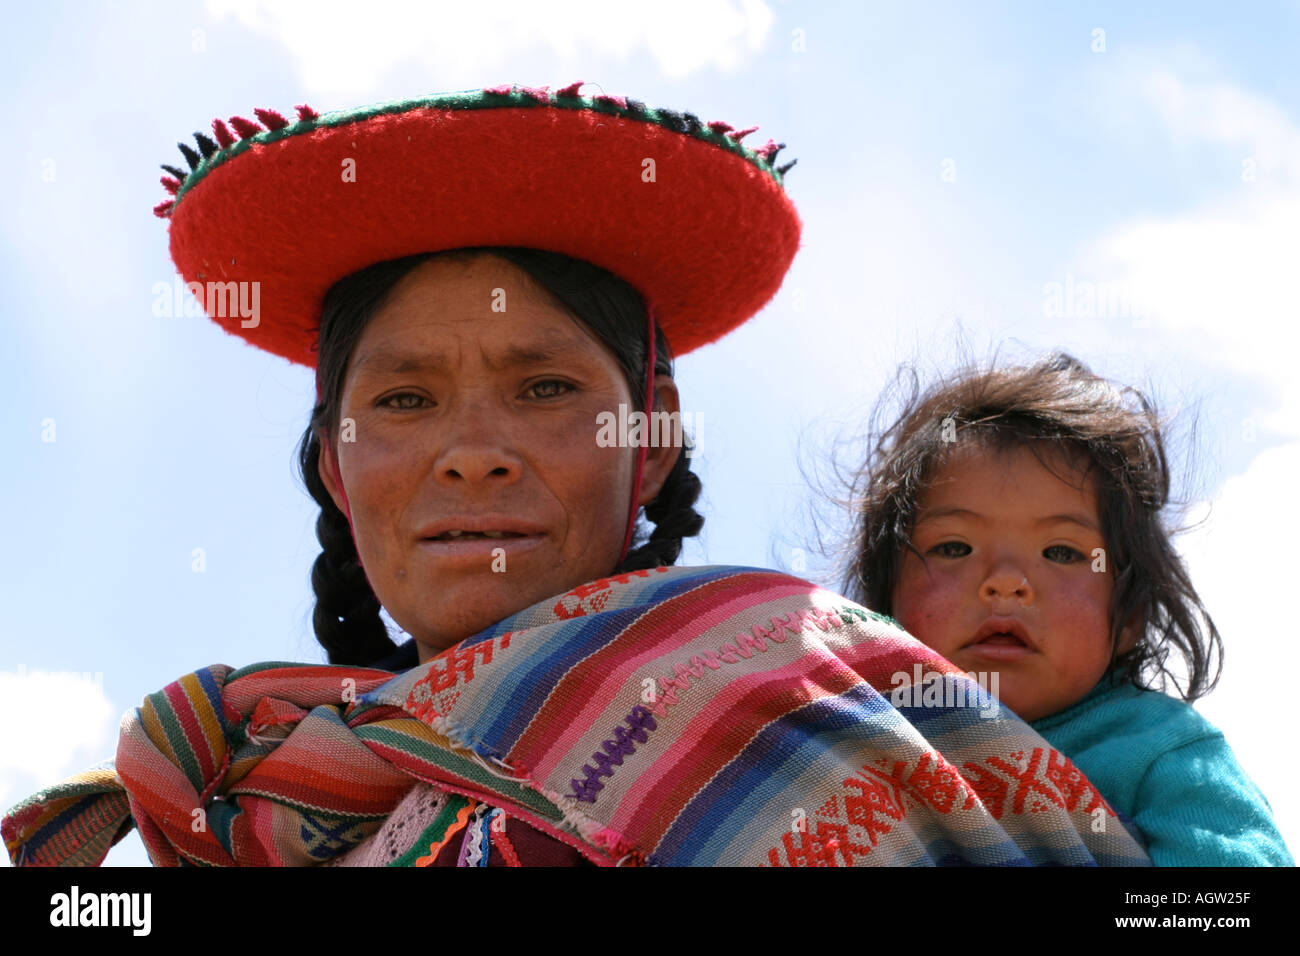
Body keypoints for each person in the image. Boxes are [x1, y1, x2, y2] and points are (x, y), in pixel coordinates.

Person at [3, 84, 1151, 867]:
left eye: (545, 388)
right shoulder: (262, 801)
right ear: (336, 471)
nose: (472, 447)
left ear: (649, 439)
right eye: (402, 400)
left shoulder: (818, 692)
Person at [839, 350, 1293, 865]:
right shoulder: (847, 735)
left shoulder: (1154, 748)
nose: (1006, 583)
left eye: (1061, 552)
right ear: (884, 602)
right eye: (954, 548)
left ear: (1129, 616)